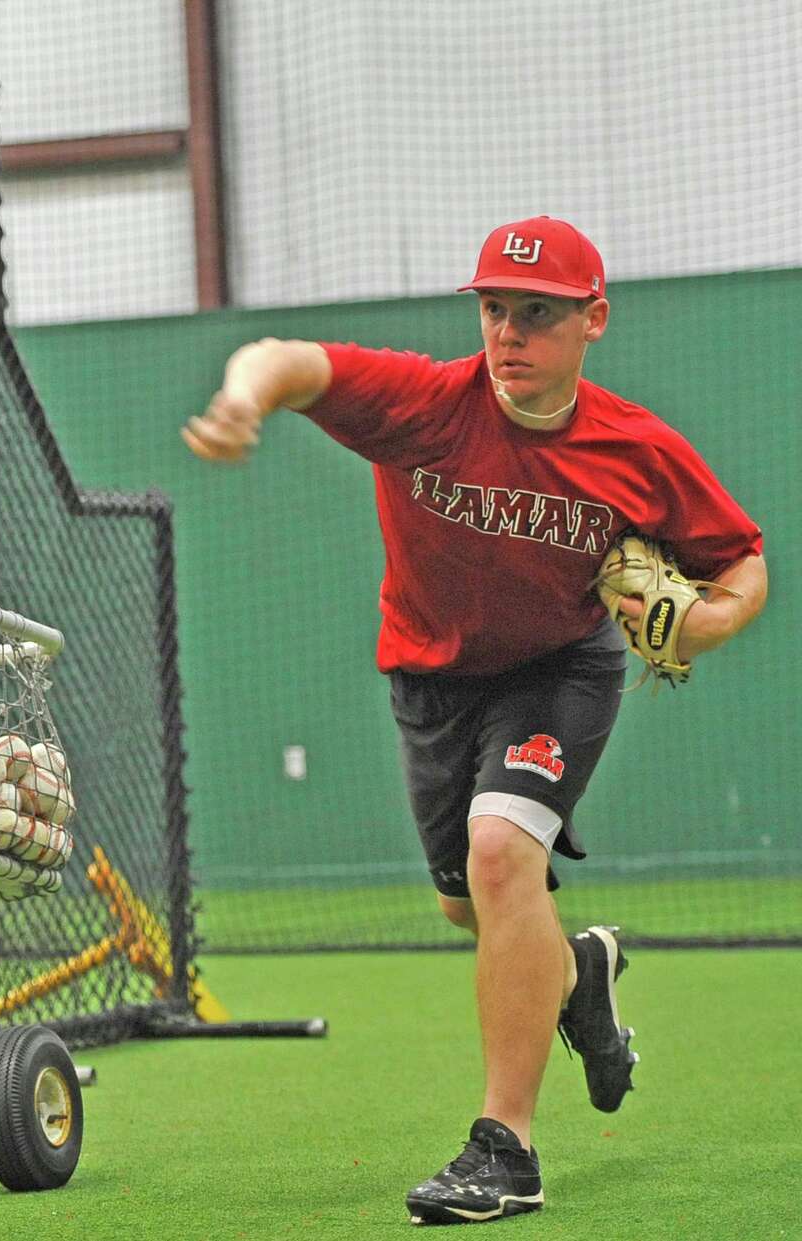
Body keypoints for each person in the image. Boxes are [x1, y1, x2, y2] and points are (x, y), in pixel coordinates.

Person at [182, 216, 767, 1226]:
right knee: (474, 907)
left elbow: (741, 559)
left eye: (535, 313)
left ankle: (508, 1148)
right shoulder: (426, 405)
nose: (508, 331)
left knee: (501, 856)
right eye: (495, 307)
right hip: (431, 681)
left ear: (594, 319)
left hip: (558, 670)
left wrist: (707, 622)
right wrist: (243, 398)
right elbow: (283, 358)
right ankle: (580, 966)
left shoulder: (635, 447)